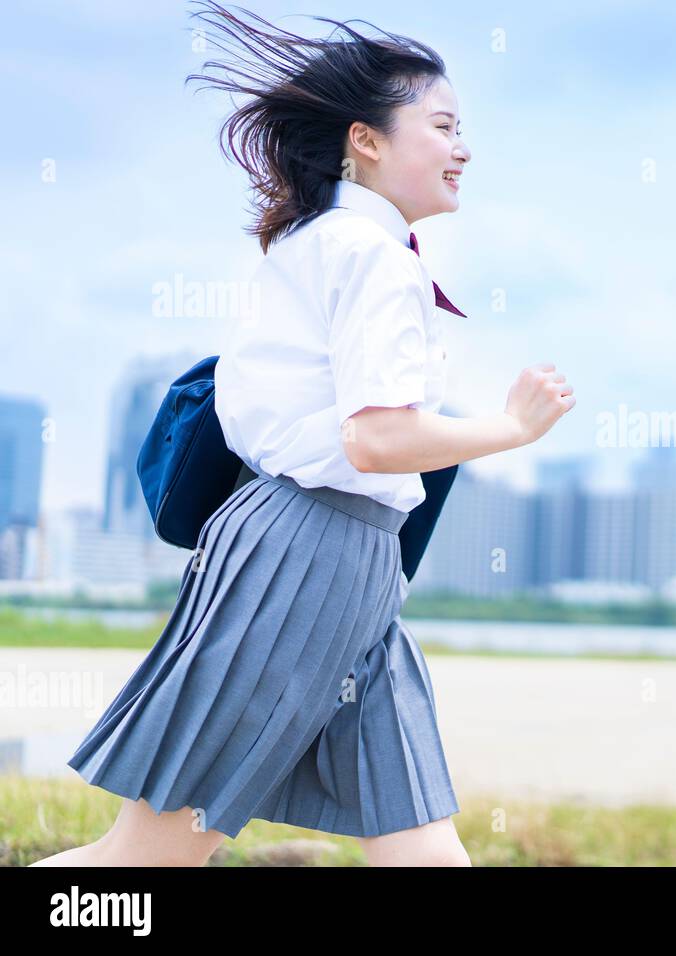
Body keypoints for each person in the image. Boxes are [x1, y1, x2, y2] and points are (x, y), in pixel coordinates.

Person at [31, 1, 574, 867]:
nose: (463, 147)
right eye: (442, 126)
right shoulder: (371, 257)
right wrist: (507, 428)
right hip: (307, 555)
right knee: (145, 860)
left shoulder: (320, 244)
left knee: (423, 848)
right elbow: (376, 442)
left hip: (343, 559)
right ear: (366, 140)